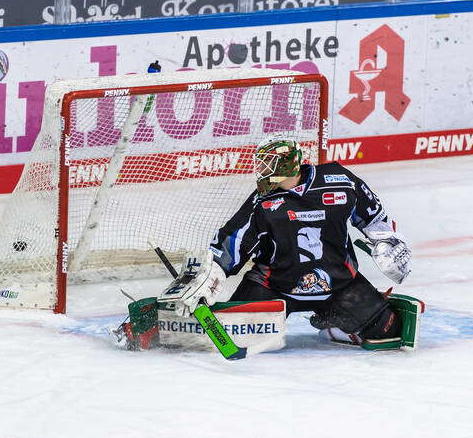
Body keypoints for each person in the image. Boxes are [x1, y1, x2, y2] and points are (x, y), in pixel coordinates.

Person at [159, 137, 419, 350]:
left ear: (287, 165)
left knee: (388, 330)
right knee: (234, 337)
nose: (261, 171)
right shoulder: (262, 201)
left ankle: (337, 327)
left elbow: (373, 217)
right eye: (261, 164)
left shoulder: (340, 180)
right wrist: (209, 277)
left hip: (339, 284)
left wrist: (387, 241)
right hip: (274, 286)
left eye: (267, 164)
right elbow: (233, 241)